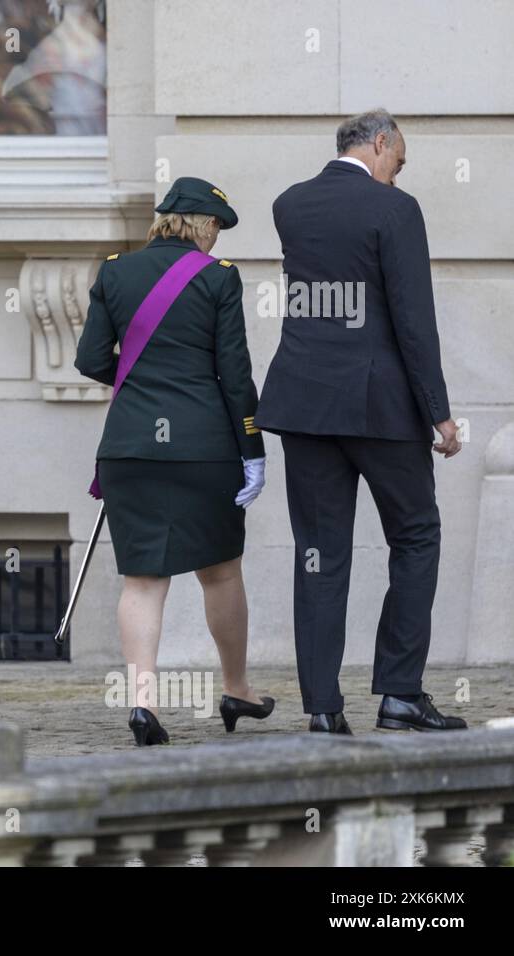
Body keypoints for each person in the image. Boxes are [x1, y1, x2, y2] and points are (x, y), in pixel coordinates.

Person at [255, 109, 465, 734]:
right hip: (381, 408)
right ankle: (399, 693)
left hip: (305, 404)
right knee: (417, 535)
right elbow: (413, 320)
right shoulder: (394, 211)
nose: (397, 177)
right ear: (380, 144)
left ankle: (323, 709)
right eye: (397, 164)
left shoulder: (288, 204)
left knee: (319, 553)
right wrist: (441, 415)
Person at [75, 177, 272, 747]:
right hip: (203, 447)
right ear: (203, 226)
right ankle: (236, 687)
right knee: (220, 570)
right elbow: (235, 376)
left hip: (129, 447)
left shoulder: (115, 271)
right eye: (215, 229)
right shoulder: (219, 279)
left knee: (142, 581)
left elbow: (90, 359)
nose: (215, 241)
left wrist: (141, 381)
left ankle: (142, 705)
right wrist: (252, 449)